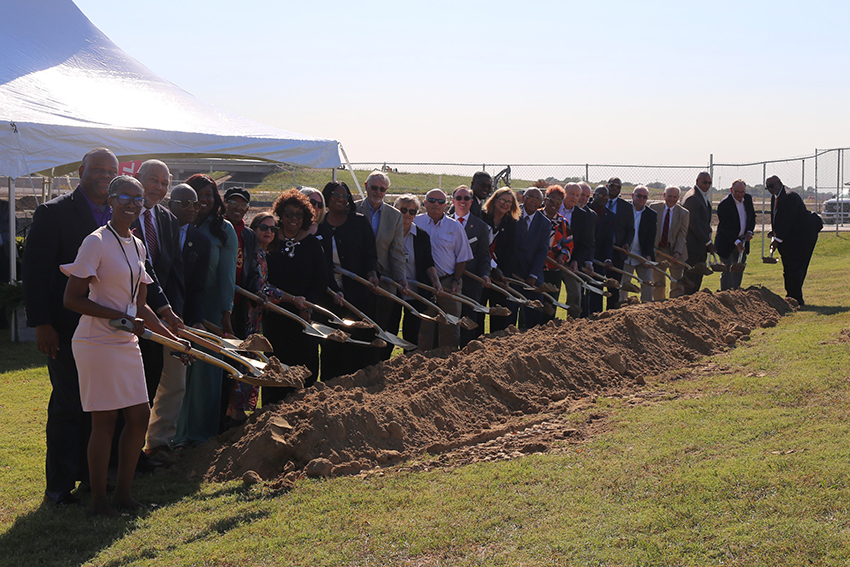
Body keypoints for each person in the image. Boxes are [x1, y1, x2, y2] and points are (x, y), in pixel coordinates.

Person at [60, 175, 184, 517]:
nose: (132, 203)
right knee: (104, 422)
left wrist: (171, 337)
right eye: (125, 197)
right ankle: (99, 501)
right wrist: (120, 317)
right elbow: (72, 298)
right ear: (110, 201)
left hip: (125, 341)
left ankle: (124, 496)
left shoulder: (138, 245)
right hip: (96, 341)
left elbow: (140, 304)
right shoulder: (96, 241)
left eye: (138, 198)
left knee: (139, 416)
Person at [23, 147, 118, 506]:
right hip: (64, 328)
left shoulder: (118, 216)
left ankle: (92, 477)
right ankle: (58, 487)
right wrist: (42, 324)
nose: (104, 175)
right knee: (68, 404)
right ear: (81, 171)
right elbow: (34, 274)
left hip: (109, 329)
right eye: (97, 169)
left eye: (111, 170)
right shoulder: (53, 213)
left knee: (99, 405)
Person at [145, 183, 210, 461]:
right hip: (143, 316)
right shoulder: (155, 225)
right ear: (170, 204)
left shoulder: (200, 240)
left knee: (175, 383)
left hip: (176, 320)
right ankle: (131, 445)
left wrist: (192, 320)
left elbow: (193, 285)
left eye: (195, 205)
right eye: (185, 203)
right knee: (145, 384)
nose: (192, 209)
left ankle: (160, 442)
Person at [173, 174, 237, 447]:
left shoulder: (224, 230)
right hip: (177, 305)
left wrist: (226, 311)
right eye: (200, 195)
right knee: (177, 371)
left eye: (210, 195)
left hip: (209, 308)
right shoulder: (173, 225)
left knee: (205, 373)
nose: (205, 201)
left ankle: (200, 433)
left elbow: (226, 276)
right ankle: (174, 433)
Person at [263, 191, 328, 401]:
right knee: (275, 367)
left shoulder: (312, 244)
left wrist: (307, 306)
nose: (293, 219)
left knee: (304, 366)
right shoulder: (270, 240)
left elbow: (320, 280)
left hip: (302, 317)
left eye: (299, 215)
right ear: (280, 214)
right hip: (274, 315)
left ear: (306, 218)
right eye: (289, 214)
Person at [132, 159, 185, 403]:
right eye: (153, 180)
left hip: (157, 319)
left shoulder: (169, 220)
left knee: (148, 390)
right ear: (138, 177)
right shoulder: (121, 214)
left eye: (165, 183)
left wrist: (171, 312)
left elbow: (173, 273)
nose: (159, 188)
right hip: (122, 316)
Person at [318, 181, 379, 378]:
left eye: (345, 196)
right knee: (332, 342)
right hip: (328, 296)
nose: (341, 199)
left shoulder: (359, 222)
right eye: (336, 194)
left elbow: (370, 253)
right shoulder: (319, 226)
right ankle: (330, 384)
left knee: (357, 340)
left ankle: (355, 383)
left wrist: (371, 273)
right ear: (327, 197)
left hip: (356, 293)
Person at [356, 171, 407, 360]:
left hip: (384, 281)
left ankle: (380, 367)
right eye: (374, 187)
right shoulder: (353, 210)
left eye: (382, 189)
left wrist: (400, 278)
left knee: (383, 327)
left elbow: (396, 252)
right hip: (359, 279)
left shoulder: (395, 216)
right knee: (362, 328)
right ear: (366, 186)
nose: (378, 192)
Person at [413, 188, 473, 349]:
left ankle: (449, 363)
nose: (435, 204)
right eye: (431, 200)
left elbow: (462, 257)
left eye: (440, 202)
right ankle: (423, 363)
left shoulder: (455, 227)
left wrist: (456, 281)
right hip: (423, 284)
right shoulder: (415, 223)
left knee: (450, 327)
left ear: (446, 205)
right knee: (424, 327)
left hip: (448, 283)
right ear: (425, 203)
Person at [766, 175, 823, 305]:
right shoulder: (775, 196)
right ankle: (790, 296)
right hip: (790, 237)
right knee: (788, 267)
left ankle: (796, 298)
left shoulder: (790, 196)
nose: (770, 189)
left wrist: (777, 239)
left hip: (803, 236)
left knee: (796, 267)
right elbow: (777, 217)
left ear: (779, 183)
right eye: (767, 187)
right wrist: (775, 232)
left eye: (772, 186)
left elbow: (788, 220)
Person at [394, 194, 440, 347]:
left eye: (412, 212)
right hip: (392, 291)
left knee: (412, 335)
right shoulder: (389, 233)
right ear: (396, 210)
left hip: (414, 292)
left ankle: (408, 364)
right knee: (390, 331)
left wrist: (435, 281)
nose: (407, 215)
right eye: (403, 210)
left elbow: (428, 263)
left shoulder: (421, 236)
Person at [449, 185, 491, 346]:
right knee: (449, 323)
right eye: (459, 198)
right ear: (453, 201)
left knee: (468, 322)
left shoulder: (480, 226)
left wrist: (485, 274)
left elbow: (484, 255)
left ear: (471, 202)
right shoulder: (444, 221)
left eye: (466, 198)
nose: (462, 201)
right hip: (447, 280)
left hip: (471, 283)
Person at [222, 187, 261, 339]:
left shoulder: (249, 235)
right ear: (224, 204)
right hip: (218, 301)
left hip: (239, 301)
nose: (237, 208)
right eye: (232, 203)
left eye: (242, 205)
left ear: (247, 210)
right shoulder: (217, 230)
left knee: (238, 342)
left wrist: (256, 290)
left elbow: (252, 268)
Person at [481, 187, 520, 330]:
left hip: (500, 274)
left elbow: (511, 252)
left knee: (498, 313)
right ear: (495, 200)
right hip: (482, 271)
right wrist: (490, 268)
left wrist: (505, 277)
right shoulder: (482, 217)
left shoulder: (511, 223)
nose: (505, 204)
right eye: (502, 200)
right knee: (479, 310)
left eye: (509, 202)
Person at [514, 188, 551, 329]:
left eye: (537, 199)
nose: (533, 201)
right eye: (530, 197)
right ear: (523, 198)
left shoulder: (545, 223)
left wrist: (533, 275)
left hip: (532, 276)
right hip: (511, 275)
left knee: (533, 318)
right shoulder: (512, 215)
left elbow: (542, 251)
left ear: (541, 203)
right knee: (509, 314)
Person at [557, 183, 593, 319]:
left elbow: (585, 242)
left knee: (576, 295)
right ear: (564, 193)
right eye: (572, 194)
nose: (574, 197)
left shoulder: (583, 216)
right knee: (548, 294)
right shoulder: (552, 209)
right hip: (549, 261)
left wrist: (577, 260)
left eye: (577, 195)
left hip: (570, 262)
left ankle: (573, 327)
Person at [715, 179, 756, 290]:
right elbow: (725, 227)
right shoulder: (725, 204)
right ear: (731, 190)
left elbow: (752, 217)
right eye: (737, 192)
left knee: (738, 268)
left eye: (742, 192)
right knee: (728, 269)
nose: (740, 195)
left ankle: (736, 293)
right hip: (726, 242)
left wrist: (749, 232)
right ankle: (725, 295)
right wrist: (736, 242)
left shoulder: (747, 199)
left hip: (742, 240)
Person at [651, 186, 690, 300]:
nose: (671, 199)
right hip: (658, 250)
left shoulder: (684, 213)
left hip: (675, 250)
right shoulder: (654, 208)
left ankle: (675, 307)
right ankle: (659, 305)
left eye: (674, 197)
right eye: (669, 196)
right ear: (664, 196)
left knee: (677, 281)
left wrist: (677, 252)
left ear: (678, 198)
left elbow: (682, 234)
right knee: (658, 281)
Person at [620, 185, 657, 303]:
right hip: (625, 254)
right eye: (639, 196)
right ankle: (621, 308)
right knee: (623, 285)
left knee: (647, 285)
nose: (641, 199)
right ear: (632, 196)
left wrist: (648, 255)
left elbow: (651, 237)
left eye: (644, 197)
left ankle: (646, 309)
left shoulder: (651, 214)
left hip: (642, 255)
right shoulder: (624, 210)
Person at [539, 185, 570, 321]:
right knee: (533, 305)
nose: (554, 204)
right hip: (535, 268)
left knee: (550, 306)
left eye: (558, 202)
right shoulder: (536, 216)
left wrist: (563, 255)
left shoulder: (563, 222)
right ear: (545, 200)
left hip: (553, 269)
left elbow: (568, 244)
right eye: (551, 200)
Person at [682, 172, 716, 294]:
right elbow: (693, 224)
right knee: (691, 279)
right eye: (704, 182)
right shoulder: (693, 197)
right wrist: (708, 242)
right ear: (697, 181)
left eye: (709, 183)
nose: (707, 185)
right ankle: (687, 306)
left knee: (697, 279)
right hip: (693, 246)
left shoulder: (701, 196)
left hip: (699, 246)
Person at [604, 177, 635, 309]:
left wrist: (627, 243)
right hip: (598, 251)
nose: (614, 189)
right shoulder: (598, 202)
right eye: (612, 186)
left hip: (617, 251)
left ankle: (611, 314)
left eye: (618, 187)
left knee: (614, 286)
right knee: (595, 286)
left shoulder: (626, 207)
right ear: (607, 186)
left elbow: (630, 229)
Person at [587, 185, 616, 315]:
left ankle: (596, 317)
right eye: (600, 195)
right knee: (582, 289)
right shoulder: (585, 210)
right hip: (584, 255)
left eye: (606, 196)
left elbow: (609, 241)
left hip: (599, 258)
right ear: (594, 195)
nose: (603, 198)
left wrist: (608, 258)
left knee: (597, 288)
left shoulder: (610, 216)